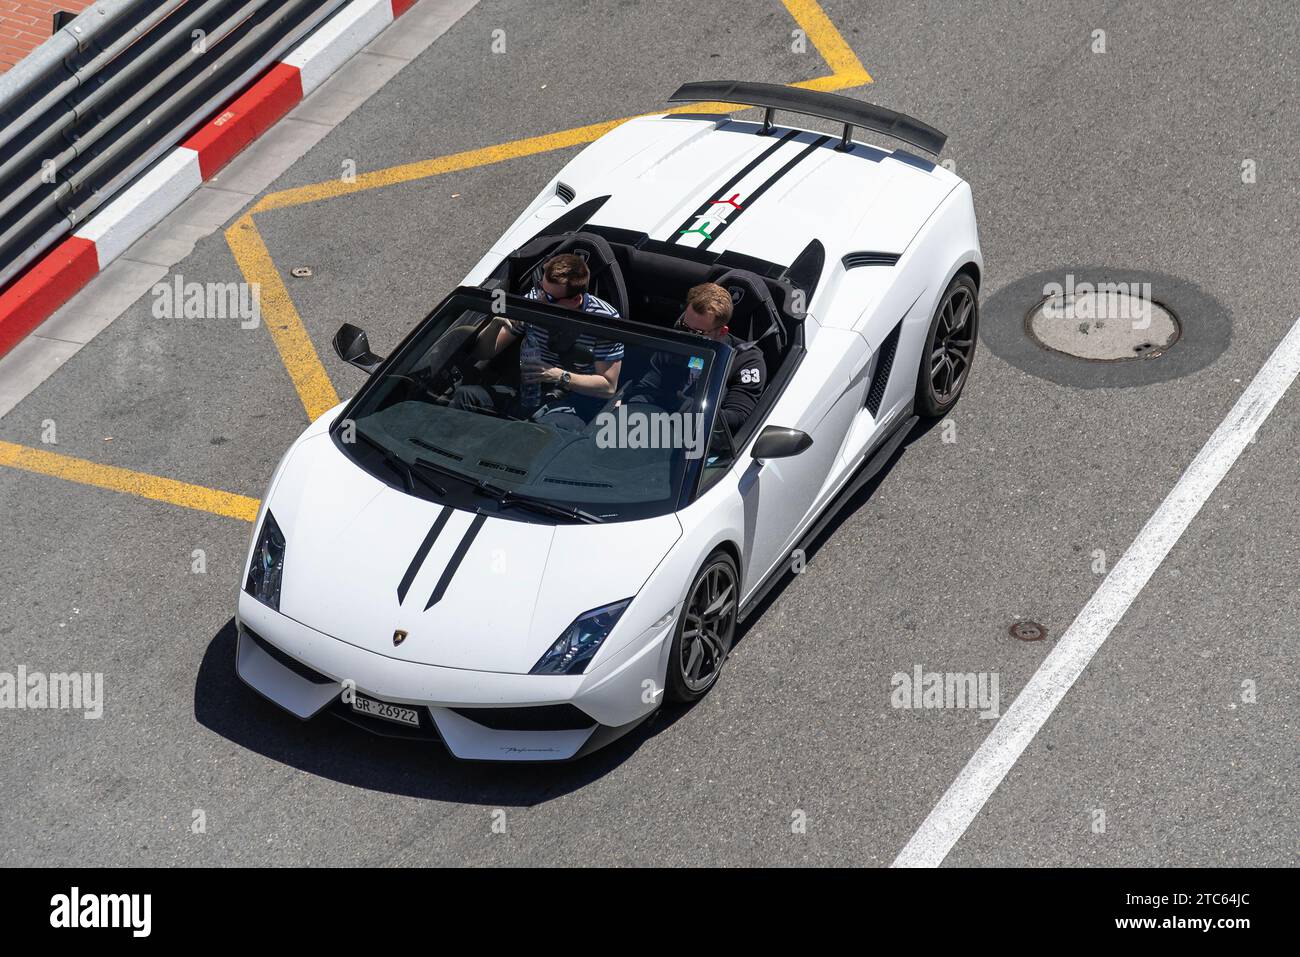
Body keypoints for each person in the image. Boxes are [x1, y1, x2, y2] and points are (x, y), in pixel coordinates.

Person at [455, 254, 624, 429]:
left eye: (550, 298)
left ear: (575, 300)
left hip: (577, 401)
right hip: (531, 390)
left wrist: (558, 375)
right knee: (465, 396)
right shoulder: (535, 299)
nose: (541, 298)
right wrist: (495, 324)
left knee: (536, 431)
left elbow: (608, 387)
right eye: (540, 288)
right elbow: (484, 353)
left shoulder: (604, 321)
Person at [624, 282, 766, 434]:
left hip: (704, 443)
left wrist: (685, 408)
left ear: (722, 332)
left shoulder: (746, 361)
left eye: (697, 333)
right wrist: (633, 412)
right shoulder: (677, 343)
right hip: (657, 430)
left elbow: (737, 419)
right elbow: (646, 389)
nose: (687, 337)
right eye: (684, 327)